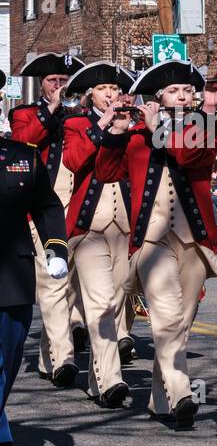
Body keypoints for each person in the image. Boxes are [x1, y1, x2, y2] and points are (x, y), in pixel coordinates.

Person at [125, 60, 217, 428]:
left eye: (187, 90)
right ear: (157, 97)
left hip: (194, 235)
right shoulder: (135, 133)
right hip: (152, 238)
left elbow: (189, 156)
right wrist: (115, 129)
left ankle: (159, 397)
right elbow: (105, 171)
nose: (182, 96)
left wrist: (209, 111)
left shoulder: (204, 131)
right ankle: (182, 390)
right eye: (173, 91)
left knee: (182, 322)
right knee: (166, 316)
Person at [61, 61, 138, 408]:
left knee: (119, 300)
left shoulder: (132, 125)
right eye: (103, 89)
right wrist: (103, 126)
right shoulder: (77, 124)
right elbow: (74, 162)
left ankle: (97, 375)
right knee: (101, 303)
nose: (110, 94)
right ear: (91, 94)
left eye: (114, 88)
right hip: (88, 226)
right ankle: (110, 380)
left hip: (124, 226)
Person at [9, 53, 85, 389]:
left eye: (64, 81)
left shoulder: (79, 115)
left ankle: (47, 357)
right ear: (42, 84)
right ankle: (64, 358)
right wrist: (51, 108)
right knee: (54, 286)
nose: (60, 87)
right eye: (54, 82)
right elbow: (25, 140)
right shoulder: (24, 113)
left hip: (77, 208)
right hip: (41, 213)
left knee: (69, 288)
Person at [0, 125, 70, 446]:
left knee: (7, 361)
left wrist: (55, 248)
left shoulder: (23, 158)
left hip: (12, 276)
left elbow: (46, 206)